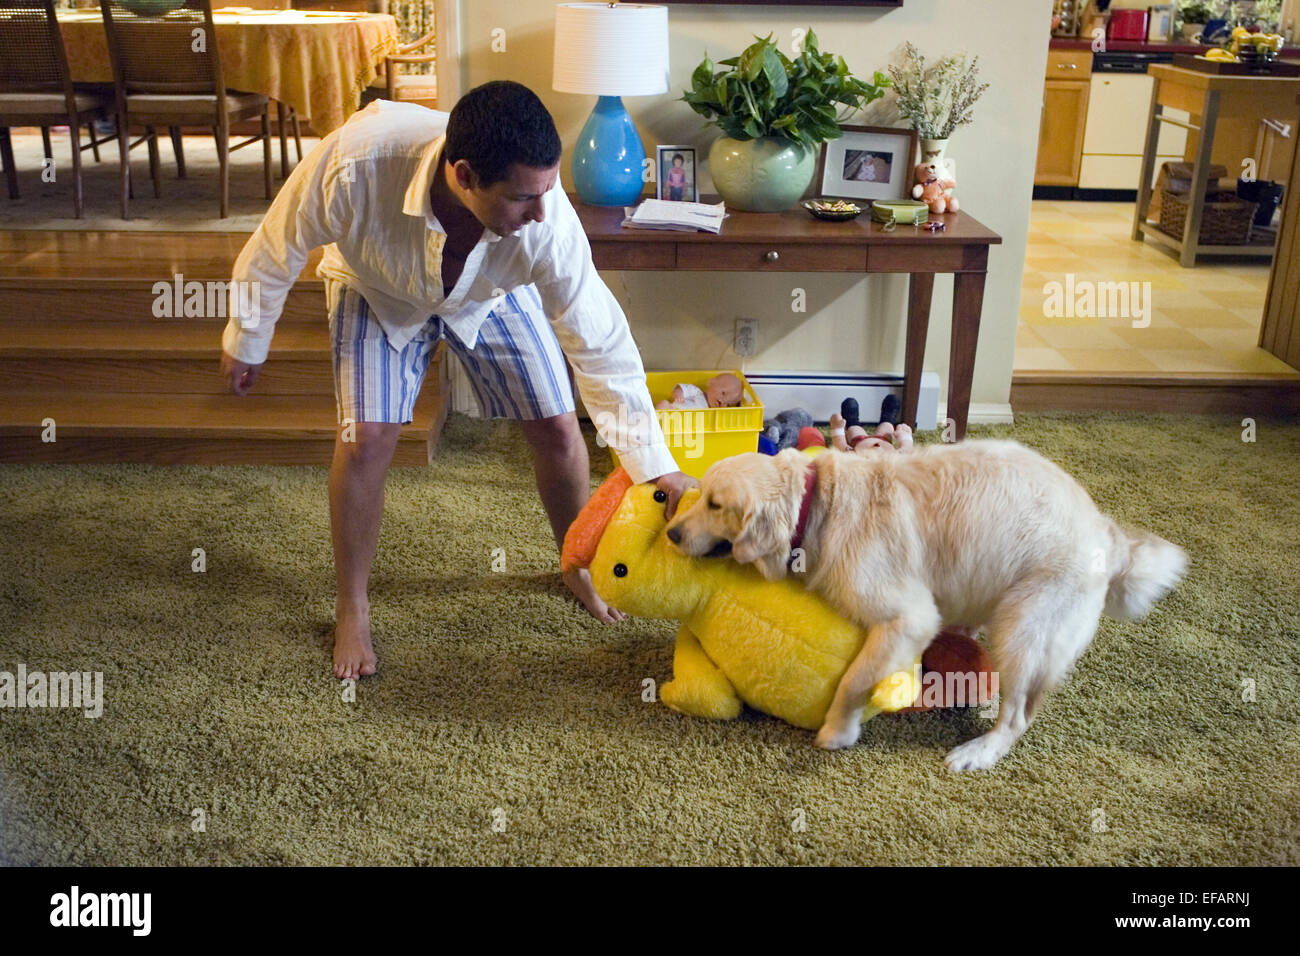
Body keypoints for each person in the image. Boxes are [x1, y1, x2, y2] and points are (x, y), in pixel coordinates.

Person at [219, 81, 693, 679]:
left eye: (547, 191)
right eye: (523, 197)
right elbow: (275, 246)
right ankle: (352, 605)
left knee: (556, 423)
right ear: (464, 175)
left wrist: (653, 465)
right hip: (376, 288)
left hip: (490, 294)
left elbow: (598, 342)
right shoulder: (355, 161)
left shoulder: (544, 222)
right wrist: (248, 338)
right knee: (366, 439)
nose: (541, 211)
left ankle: (576, 565)